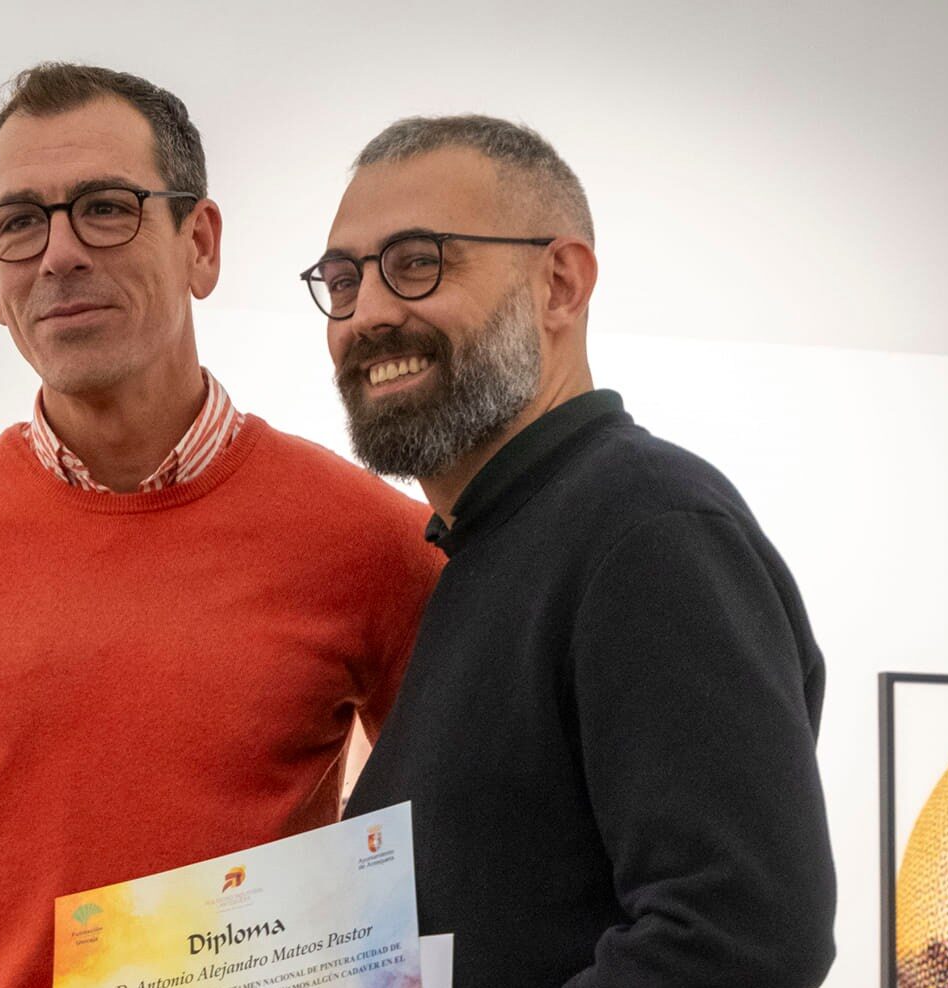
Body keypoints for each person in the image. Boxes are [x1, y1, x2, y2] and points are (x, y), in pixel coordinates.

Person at [0, 64, 441, 987]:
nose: (58, 254)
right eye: (19, 223)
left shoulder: (375, 543)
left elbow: (449, 853)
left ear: (200, 242)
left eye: (106, 207)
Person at [305, 115, 837, 987]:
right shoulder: (485, 554)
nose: (365, 313)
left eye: (416, 262)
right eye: (340, 278)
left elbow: (735, 937)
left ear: (558, 283)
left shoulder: (647, 529)